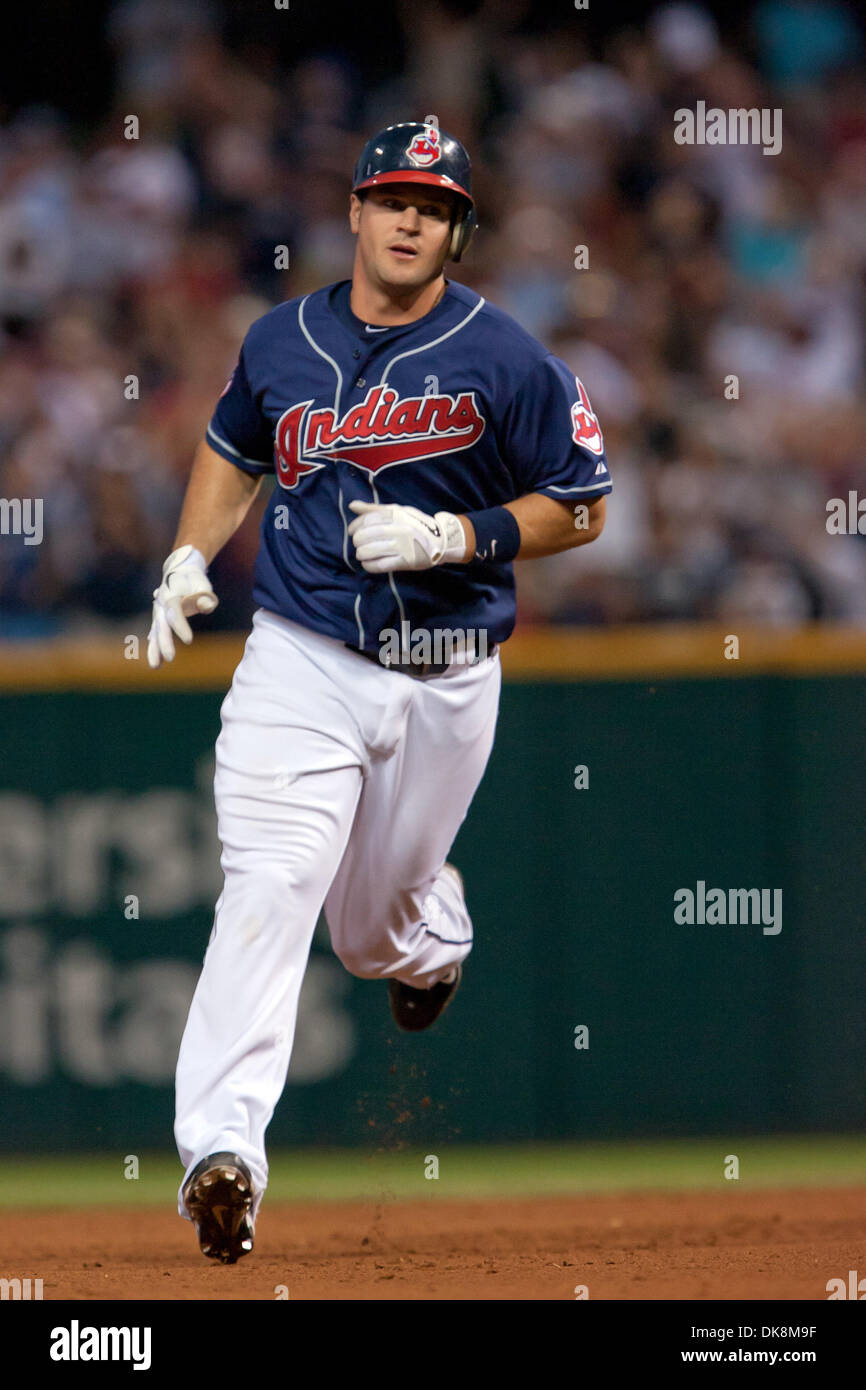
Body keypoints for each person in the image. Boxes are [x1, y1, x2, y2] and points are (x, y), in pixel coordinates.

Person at [147, 116, 611, 1263]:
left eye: (437, 205)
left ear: (455, 230)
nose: (412, 218)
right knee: (270, 881)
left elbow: (586, 502)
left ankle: (431, 936)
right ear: (353, 211)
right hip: (300, 657)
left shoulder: (506, 355)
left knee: (367, 933)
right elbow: (231, 447)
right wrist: (189, 555)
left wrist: (460, 529)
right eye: (395, 197)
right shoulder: (280, 338)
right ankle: (224, 1155)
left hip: (447, 675)